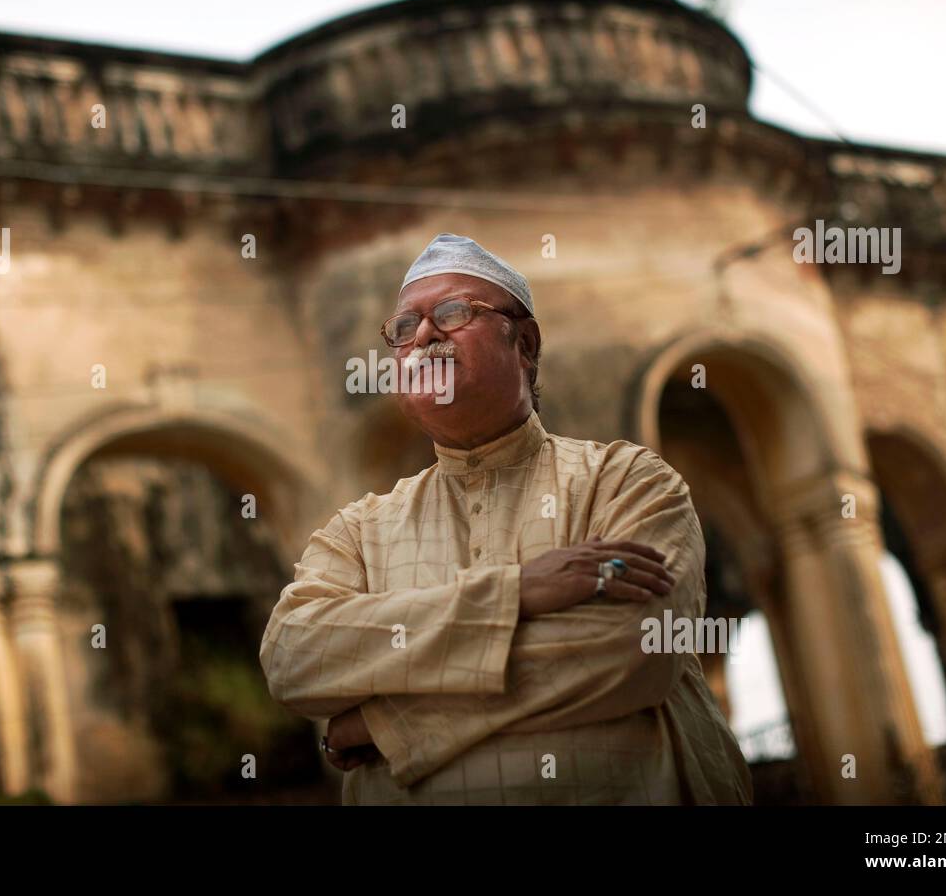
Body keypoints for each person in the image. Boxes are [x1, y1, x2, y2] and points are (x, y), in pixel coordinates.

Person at [259, 233, 752, 805]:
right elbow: (294, 656)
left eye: (453, 312)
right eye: (403, 327)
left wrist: (389, 727)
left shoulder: (626, 481)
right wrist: (516, 593)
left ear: (524, 341)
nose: (423, 335)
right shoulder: (359, 529)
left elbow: (640, 645)